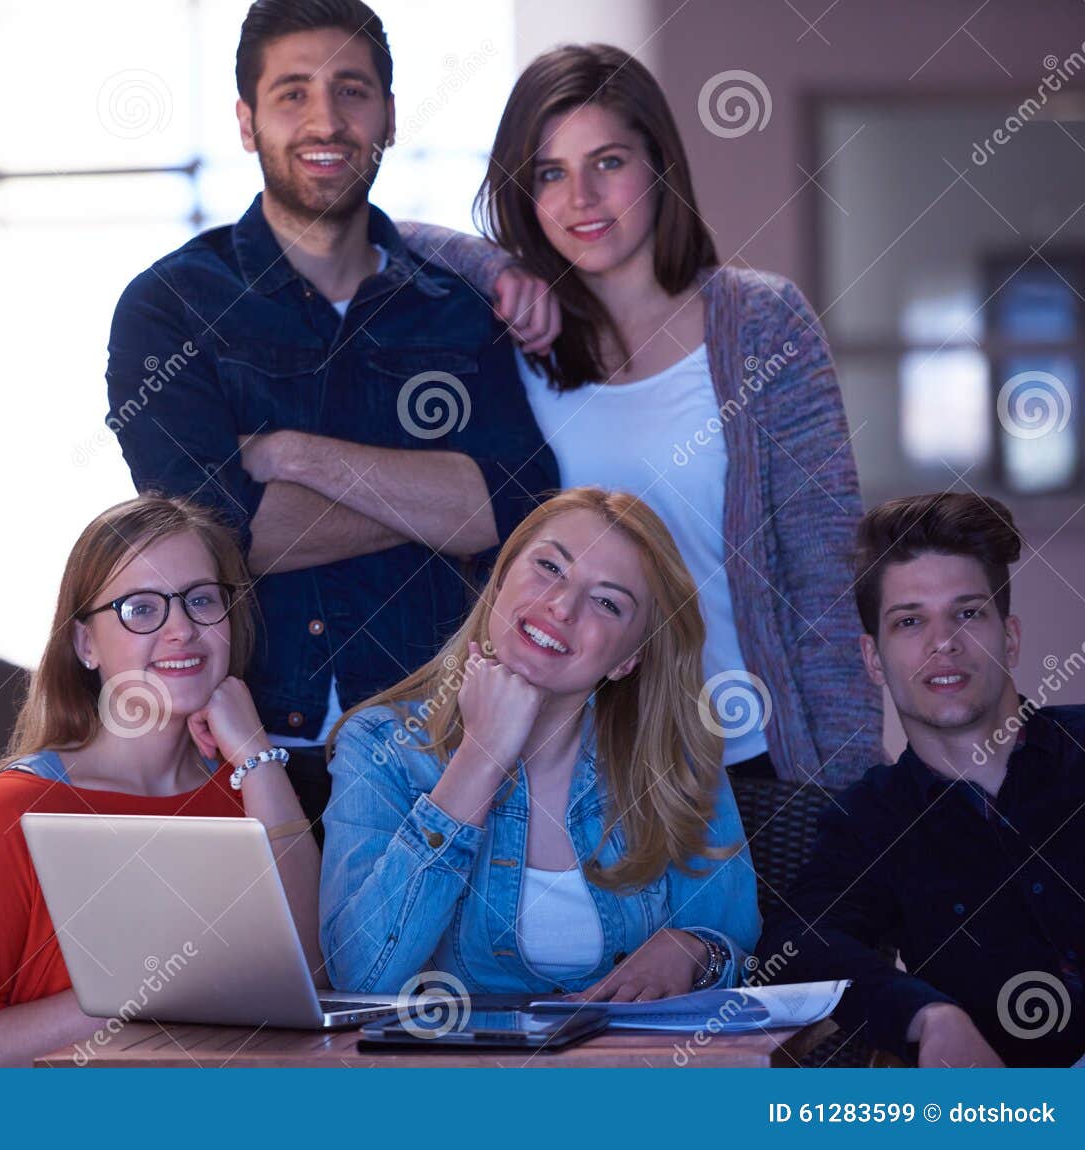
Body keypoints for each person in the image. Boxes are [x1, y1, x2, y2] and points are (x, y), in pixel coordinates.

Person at [105, 0, 562, 831]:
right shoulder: (169, 309)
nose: (326, 119)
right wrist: (440, 506)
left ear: (388, 116)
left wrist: (292, 454)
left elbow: (519, 510)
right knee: (253, 966)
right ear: (247, 123)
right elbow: (211, 540)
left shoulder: (458, 310)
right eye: (292, 94)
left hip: (439, 750)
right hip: (227, 752)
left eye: (352, 91)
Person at [402, 44, 879, 787]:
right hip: (569, 773)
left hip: (748, 757)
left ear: (660, 166)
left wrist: (852, 791)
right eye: (549, 174)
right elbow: (382, 238)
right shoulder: (510, 337)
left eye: (609, 163)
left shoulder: (760, 322)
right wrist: (497, 268)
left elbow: (825, 576)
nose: (580, 199)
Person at [0, 495, 321, 1066]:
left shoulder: (249, 785)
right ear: (85, 644)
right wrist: (139, 994)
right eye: (141, 609)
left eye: (201, 600)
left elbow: (312, 970)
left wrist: (256, 753)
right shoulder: (15, 809)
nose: (182, 629)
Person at [319, 487, 759, 998]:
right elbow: (361, 976)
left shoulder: (674, 758)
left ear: (627, 659)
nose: (562, 606)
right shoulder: (381, 748)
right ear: (501, 579)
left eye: (607, 602)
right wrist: (480, 757)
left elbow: (737, 952)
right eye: (550, 568)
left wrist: (692, 952)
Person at [758, 492, 1085, 1067]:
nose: (943, 643)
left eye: (967, 613)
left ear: (1009, 636)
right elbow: (795, 946)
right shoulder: (871, 821)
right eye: (910, 621)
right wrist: (928, 1017)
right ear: (873, 659)